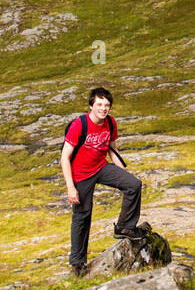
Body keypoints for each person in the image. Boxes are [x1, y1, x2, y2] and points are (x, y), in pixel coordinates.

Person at [62, 87, 146, 277]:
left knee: (133, 184)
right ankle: (77, 263)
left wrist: (121, 172)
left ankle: (124, 227)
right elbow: (65, 157)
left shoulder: (110, 122)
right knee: (82, 216)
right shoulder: (79, 125)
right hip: (81, 174)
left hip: (100, 167)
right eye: (99, 104)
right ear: (91, 106)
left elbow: (112, 148)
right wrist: (70, 187)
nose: (103, 108)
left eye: (107, 105)